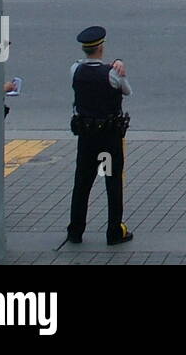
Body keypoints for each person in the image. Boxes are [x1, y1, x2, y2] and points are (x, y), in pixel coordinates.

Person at [66, 26, 133, 247]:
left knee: (82, 183)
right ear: (101, 48)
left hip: (86, 137)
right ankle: (114, 231)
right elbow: (127, 91)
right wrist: (118, 64)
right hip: (109, 139)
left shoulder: (75, 69)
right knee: (112, 183)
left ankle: (75, 231)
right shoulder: (112, 74)